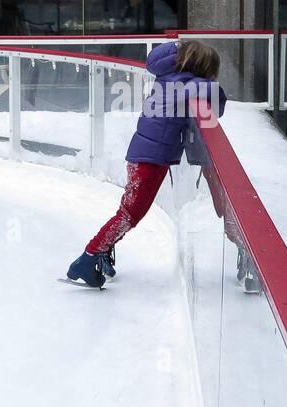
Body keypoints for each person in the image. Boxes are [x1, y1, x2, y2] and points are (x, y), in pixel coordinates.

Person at [66, 41, 226, 289]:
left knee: (130, 212)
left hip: (147, 156)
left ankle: (100, 251)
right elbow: (216, 98)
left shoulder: (169, 77)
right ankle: (88, 257)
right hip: (149, 160)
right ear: (201, 68)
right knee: (130, 214)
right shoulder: (183, 84)